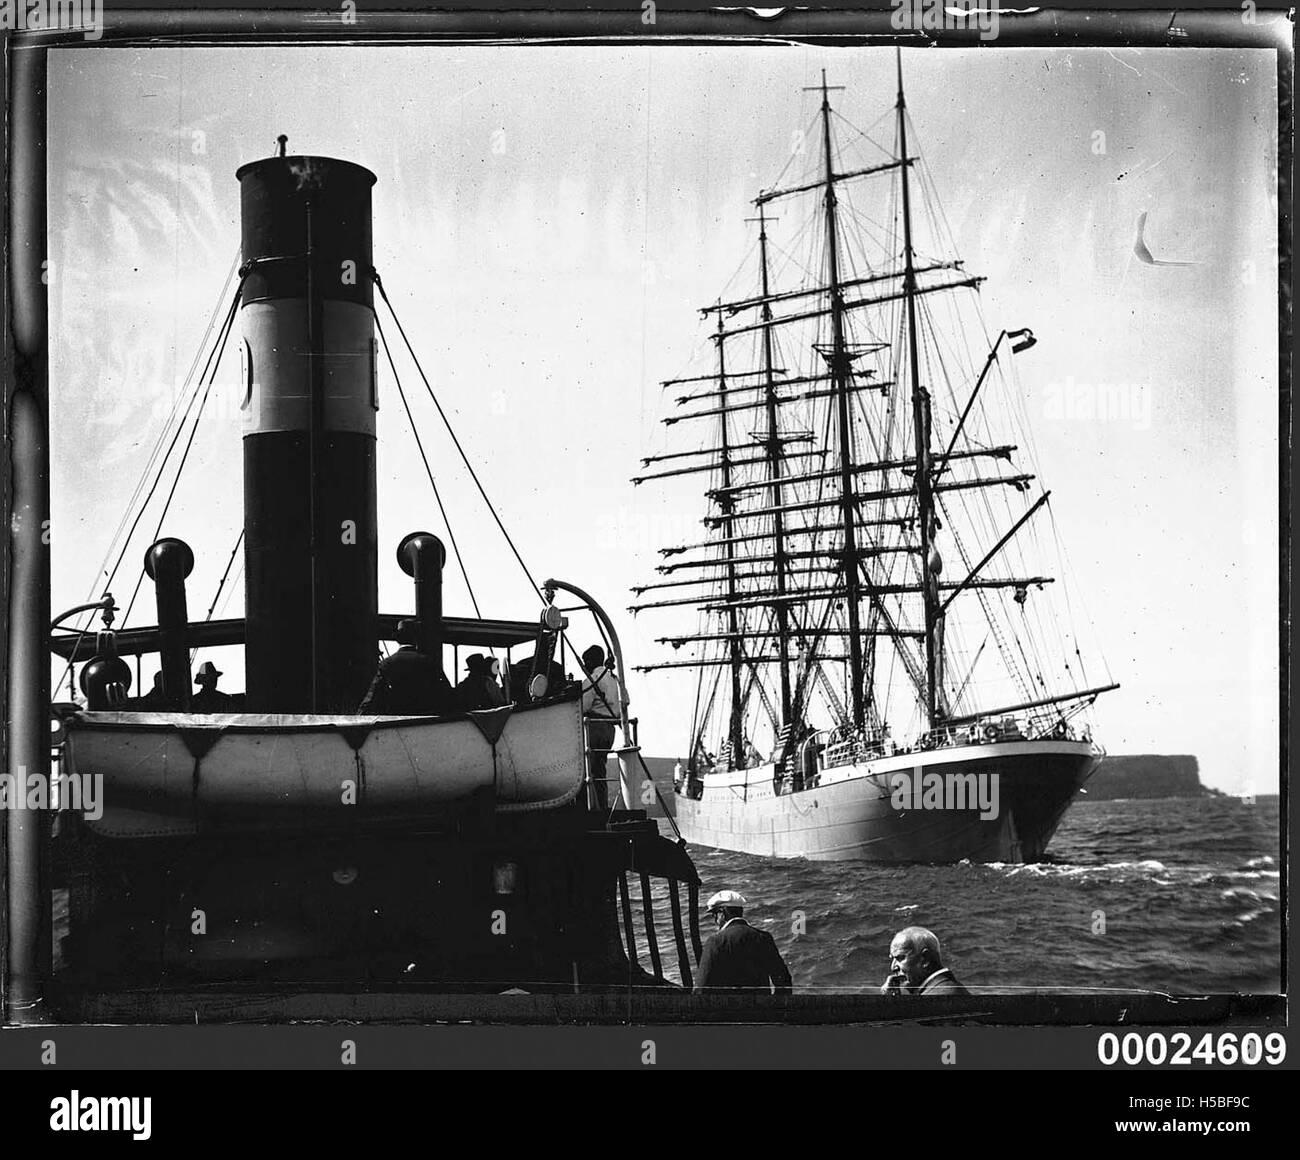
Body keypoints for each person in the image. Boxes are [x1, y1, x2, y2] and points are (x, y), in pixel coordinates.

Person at [694, 890, 792, 995]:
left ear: (723, 913)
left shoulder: (716, 941)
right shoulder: (763, 938)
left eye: (715, 915)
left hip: (727, 1010)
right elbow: (783, 980)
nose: (715, 921)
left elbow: (701, 987)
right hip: (761, 1010)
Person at [357, 620, 454, 715]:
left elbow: (372, 697)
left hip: (396, 724)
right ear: (416, 639)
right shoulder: (429, 662)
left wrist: (358, 718)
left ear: (398, 639)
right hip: (425, 723)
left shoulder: (386, 664)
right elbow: (446, 694)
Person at [580, 645, 622, 809]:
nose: (584, 666)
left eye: (585, 662)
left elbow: (583, 707)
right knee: (600, 771)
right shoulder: (613, 679)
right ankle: (602, 806)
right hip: (610, 729)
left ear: (591, 661)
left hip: (594, 727)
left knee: (587, 771)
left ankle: (591, 808)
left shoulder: (592, 680)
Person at [880, 926, 970, 996]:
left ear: (925, 959)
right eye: (893, 959)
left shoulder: (942, 995)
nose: (893, 967)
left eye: (900, 958)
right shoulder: (944, 989)